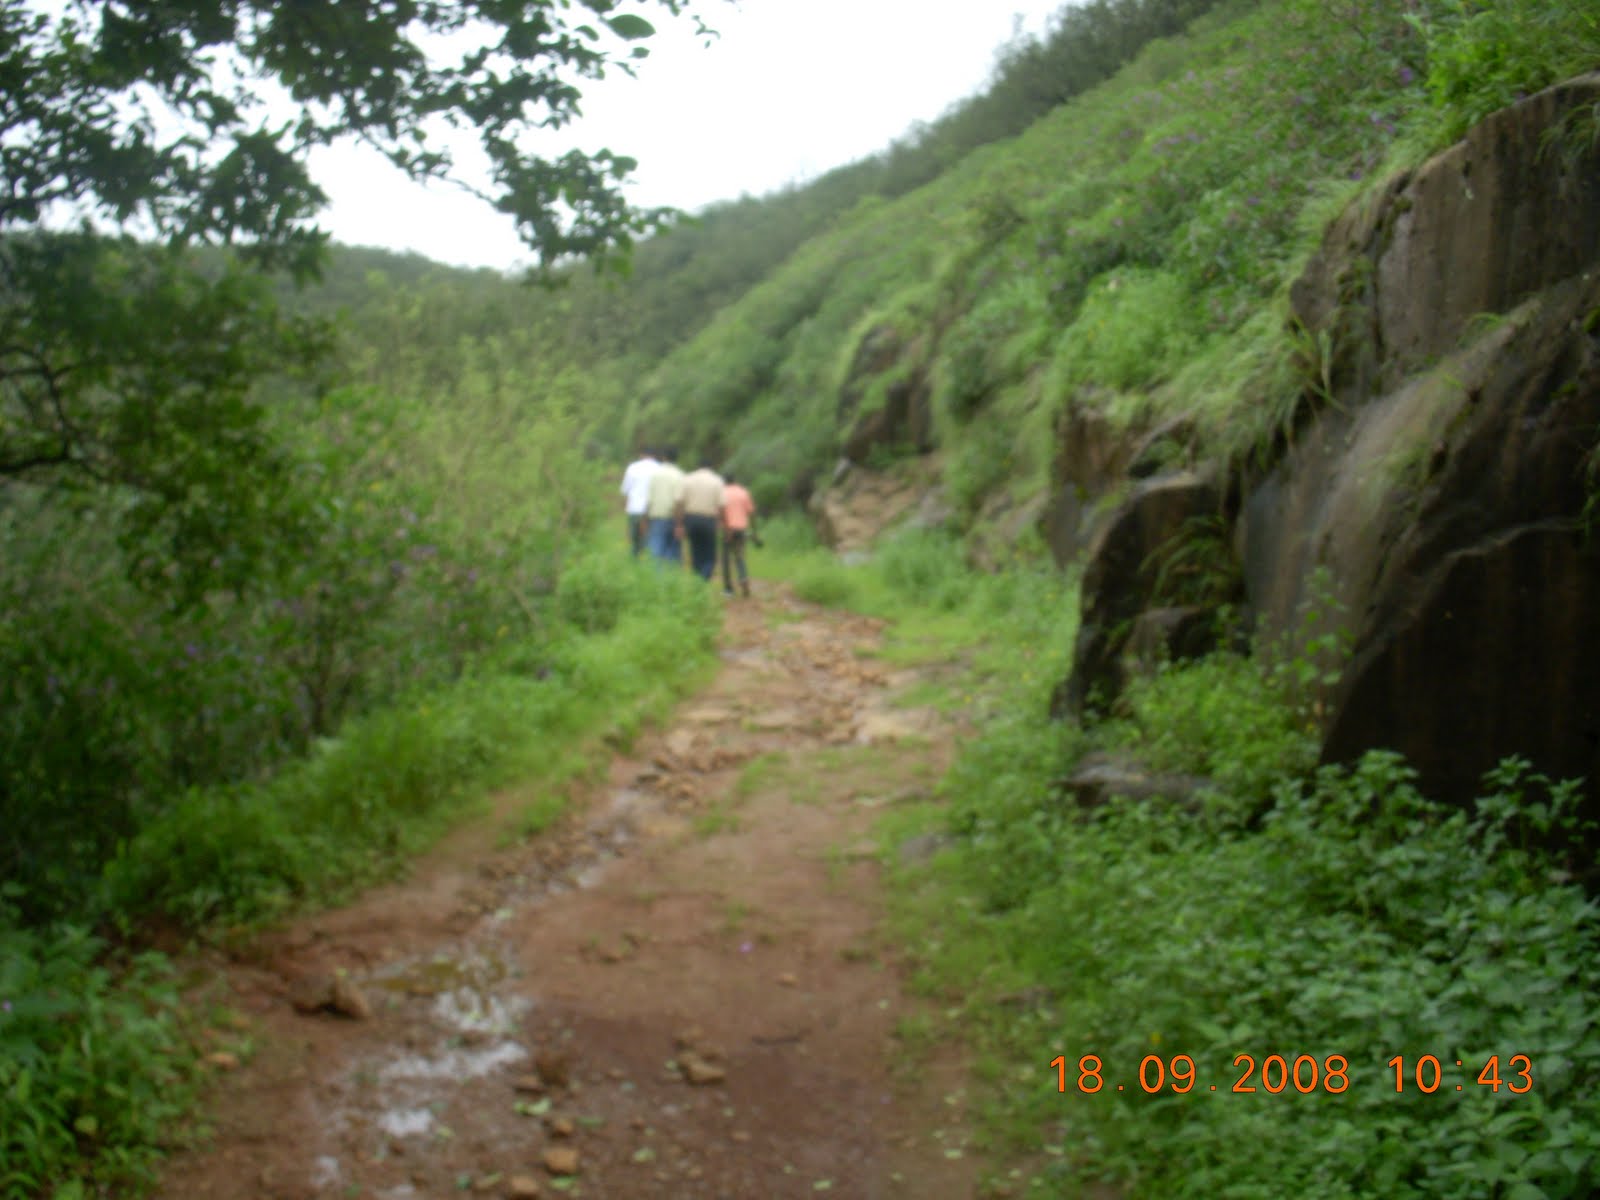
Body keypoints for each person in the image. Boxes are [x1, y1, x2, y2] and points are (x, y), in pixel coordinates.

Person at [679, 457, 725, 581]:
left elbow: (681, 502)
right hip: (708, 519)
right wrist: (720, 521)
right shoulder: (717, 481)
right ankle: (705, 576)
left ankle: (697, 577)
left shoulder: (688, 479)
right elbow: (721, 505)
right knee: (709, 552)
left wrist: (681, 523)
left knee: (696, 550)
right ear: (711, 467)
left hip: (691, 518)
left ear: (698, 466)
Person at [645, 445, 686, 565]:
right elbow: (679, 502)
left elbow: (649, 499)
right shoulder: (680, 475)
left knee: (655, 551)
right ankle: (671, 575)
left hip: (656, 517)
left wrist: (645, 519)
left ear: (664, 457)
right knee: (673, 554)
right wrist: (679, 524)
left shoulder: (654, 475)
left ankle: (654, 576)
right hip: (673, 517)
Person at [720, 471, 759, 597]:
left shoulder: (722, 493)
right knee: (739, 556)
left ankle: (728, 589)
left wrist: (724, 527)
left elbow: (720, 512)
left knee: (726, 559)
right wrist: (755, 532)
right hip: (741, 529)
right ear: (734, 480)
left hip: (728, 529)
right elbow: (751, 513)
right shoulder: (743, 492)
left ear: (724, 481)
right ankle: (743, 578)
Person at [619, 445, 657, 559]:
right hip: (652, 508)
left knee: (635, 538)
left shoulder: (633, 467)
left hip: (634, 507)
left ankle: (635, 558)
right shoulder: (659, 468)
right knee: (649, 536)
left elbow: (625, 489)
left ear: (641, 455)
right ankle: (648, 559)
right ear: (654, 455)